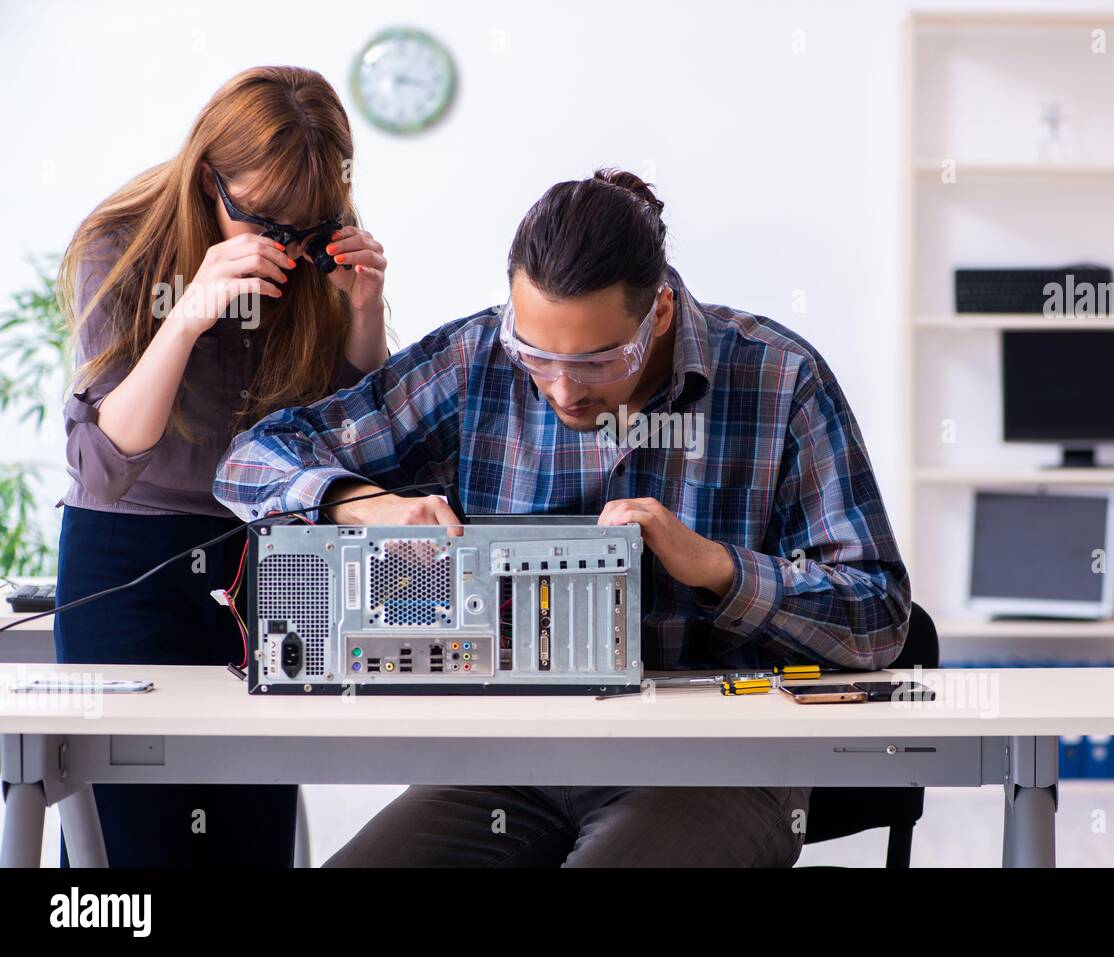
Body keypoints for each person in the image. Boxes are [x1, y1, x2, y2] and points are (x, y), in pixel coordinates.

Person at [214, 168, 910, 867]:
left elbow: (879, 617)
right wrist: (362, 504)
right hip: (516, 762)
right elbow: (249, 460)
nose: (562, 390)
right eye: (536, 355)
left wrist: (717, 568)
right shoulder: (477, 359)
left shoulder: (779, 380)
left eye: (597, 361)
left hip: (716, 762)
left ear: (659, 313)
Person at [54, 65, 390, 866]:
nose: (285, 247)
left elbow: (360, 435)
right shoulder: (122, 244)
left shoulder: (315, 257)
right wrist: (186, 316)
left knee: (248, 824)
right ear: (211, 180)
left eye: (304, 229)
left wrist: (363, 312)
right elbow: (105, 466)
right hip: (127, 557)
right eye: (265, 224)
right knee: (128, 833)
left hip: (267, 555)